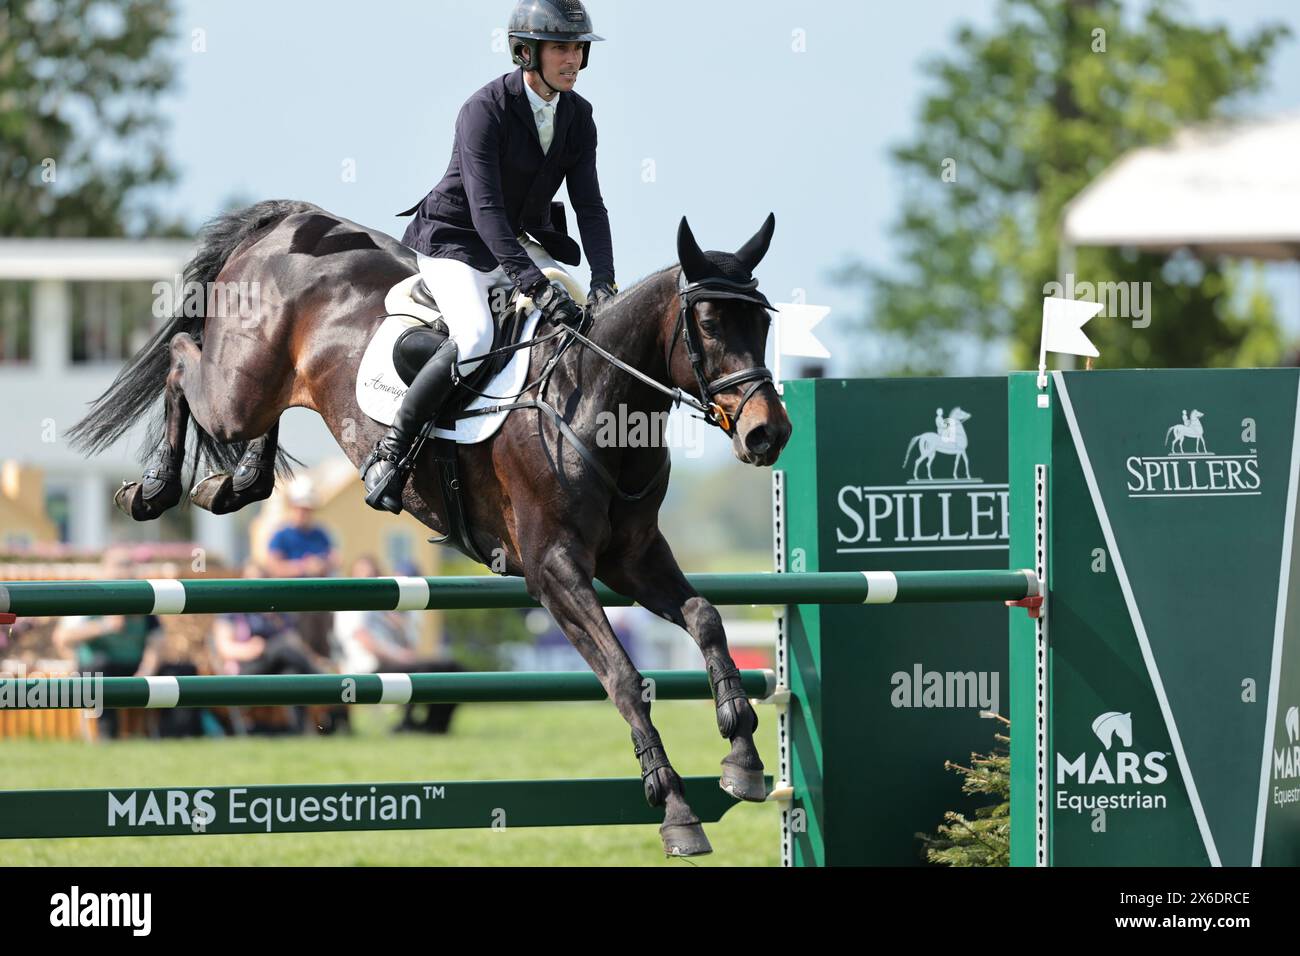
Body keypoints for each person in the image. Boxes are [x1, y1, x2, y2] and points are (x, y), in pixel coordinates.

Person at [362, 0, 617, 515]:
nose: (572, 59)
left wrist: (604, 281)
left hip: (514, 240)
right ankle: (392, 453)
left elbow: (590, 205)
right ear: (527, 52)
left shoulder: (579, 117)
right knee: (476, 337)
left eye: (577, 48)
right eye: (560, 48)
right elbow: (485, 210)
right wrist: (532, 283)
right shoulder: (485, 110)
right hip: (454, 240)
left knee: (576, 325)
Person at [334, 555, 464, 733]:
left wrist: (395, 620)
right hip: (371, 667)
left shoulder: (382, 606)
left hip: (395, 661)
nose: (369, 580)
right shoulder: (351, 603)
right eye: (364, 575)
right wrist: (400, 656)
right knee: (427, 671)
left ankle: (436, 725)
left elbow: (407, 639)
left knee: (452, 668)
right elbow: (366, 643)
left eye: (374, 575)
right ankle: (411, 722)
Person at [52, 548, 160, 739]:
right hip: (98, 665)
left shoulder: (142, 596)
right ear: (105, 569)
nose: (125, 572)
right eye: (119, 566)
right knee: (99, 671)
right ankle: (107, 736)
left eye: (129, 566)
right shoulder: (90, 595)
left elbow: (156, 641)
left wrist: (146, 670)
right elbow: (62, 637)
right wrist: (104, 626)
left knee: (176, 672)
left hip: (134, 665)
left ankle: (176, 735)